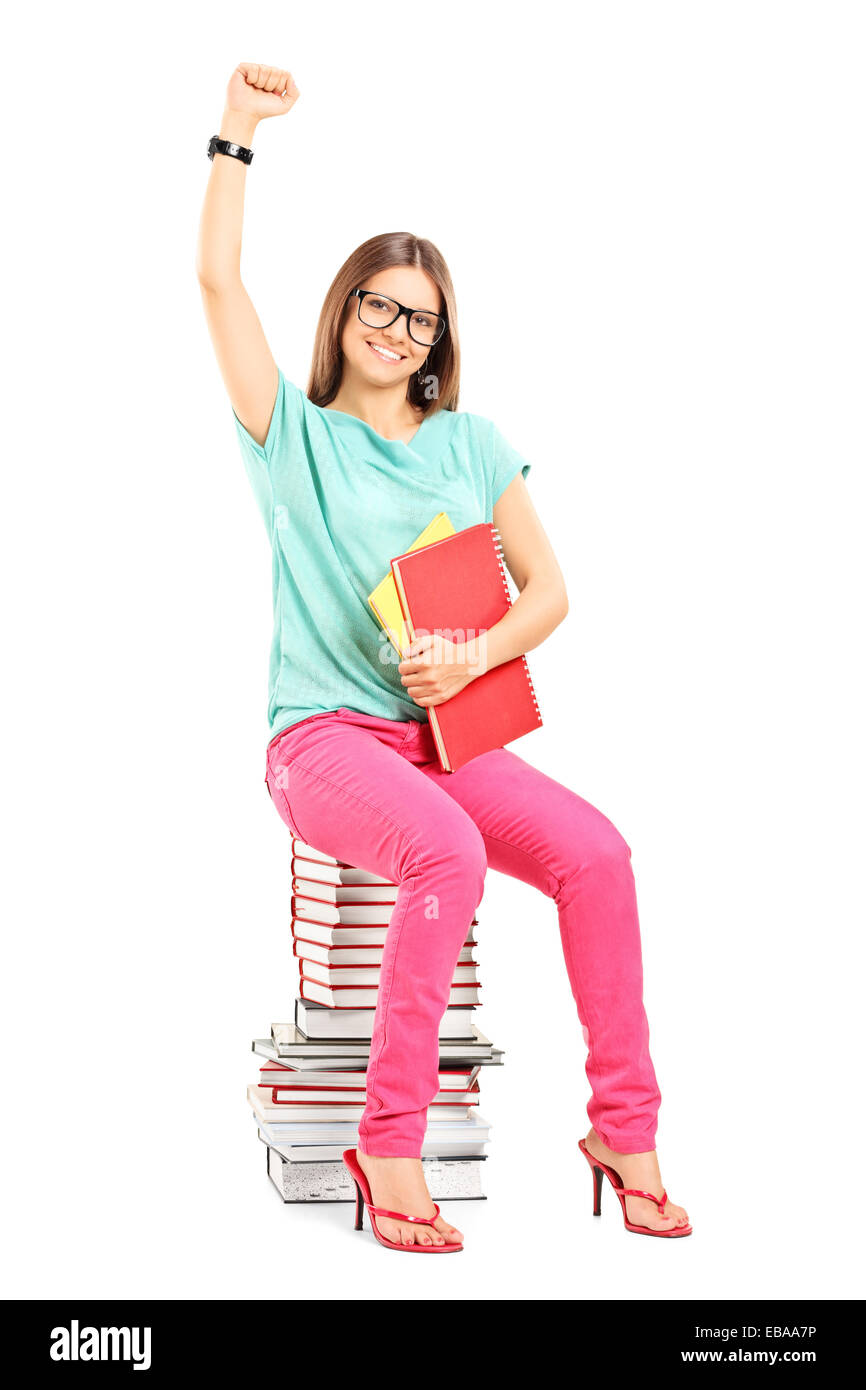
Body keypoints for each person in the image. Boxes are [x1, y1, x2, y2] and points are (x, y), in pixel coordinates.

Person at [196, 62, 692, 1251]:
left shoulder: (472, 444)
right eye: (377, 303)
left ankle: (623, 1128)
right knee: (448, 852)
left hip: (441, 736)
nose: (395, 327)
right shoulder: (291, 437)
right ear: (345, 311)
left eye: (417, 315)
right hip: (320, 739)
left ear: (437, 337)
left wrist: (470, 653)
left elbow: (553, 593)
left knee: (599, 854)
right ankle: (389, 1137)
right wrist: (236, 135)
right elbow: (215, 280)